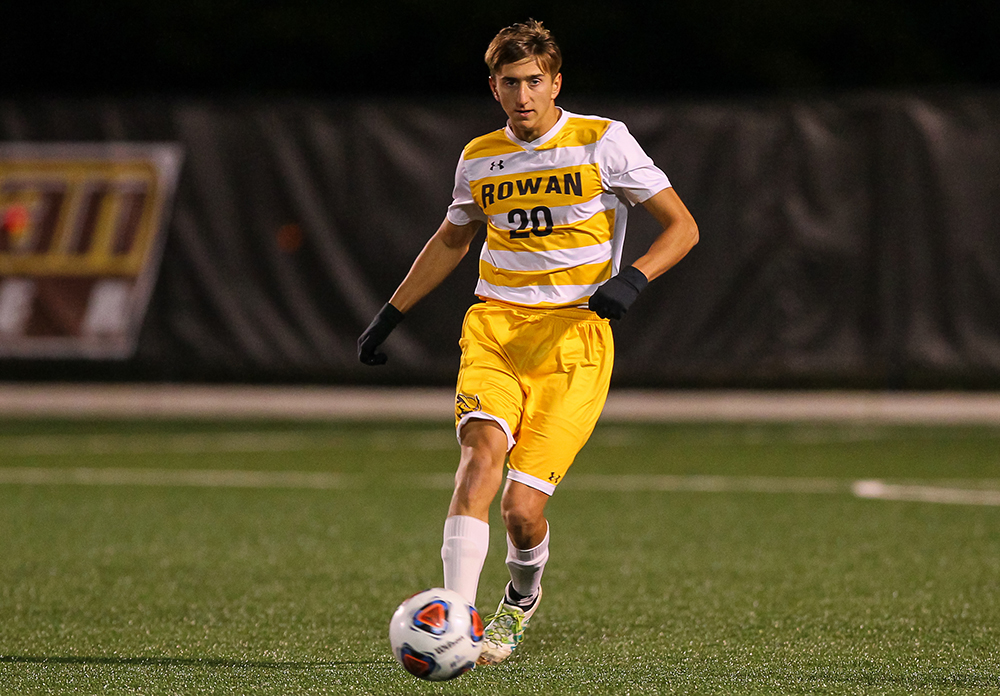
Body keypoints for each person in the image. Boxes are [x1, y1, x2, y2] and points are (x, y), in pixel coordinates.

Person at [358, 19, 698, 666]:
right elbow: (454, 238)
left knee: (521, 510)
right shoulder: (479, 156)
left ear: (556, 82)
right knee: (479, 460)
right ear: (494, 87)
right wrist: (391, 314)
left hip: (574, 341)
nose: (523, 95)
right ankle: (458, 619)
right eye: (510, 83)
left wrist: (633, 279)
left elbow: (683, 227)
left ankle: (519, 597)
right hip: (495, 327)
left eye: (535, 81)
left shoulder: (604, 141)